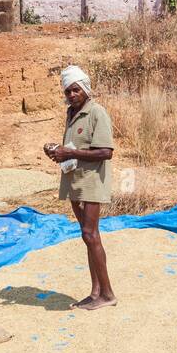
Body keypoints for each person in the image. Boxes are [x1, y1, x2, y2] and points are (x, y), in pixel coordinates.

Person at [46, 66, 117, 311]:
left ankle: (107, 294)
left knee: (90, 233)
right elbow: (73, 147)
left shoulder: (96, 112)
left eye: (76, 89)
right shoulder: (71, 113)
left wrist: (69, 153)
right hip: (74, 179)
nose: (72, 94)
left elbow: (106, 152)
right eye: (68, 91)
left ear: (85, 88)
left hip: (92, 180)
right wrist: (57, 151)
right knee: (88, 236)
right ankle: (96, 291)